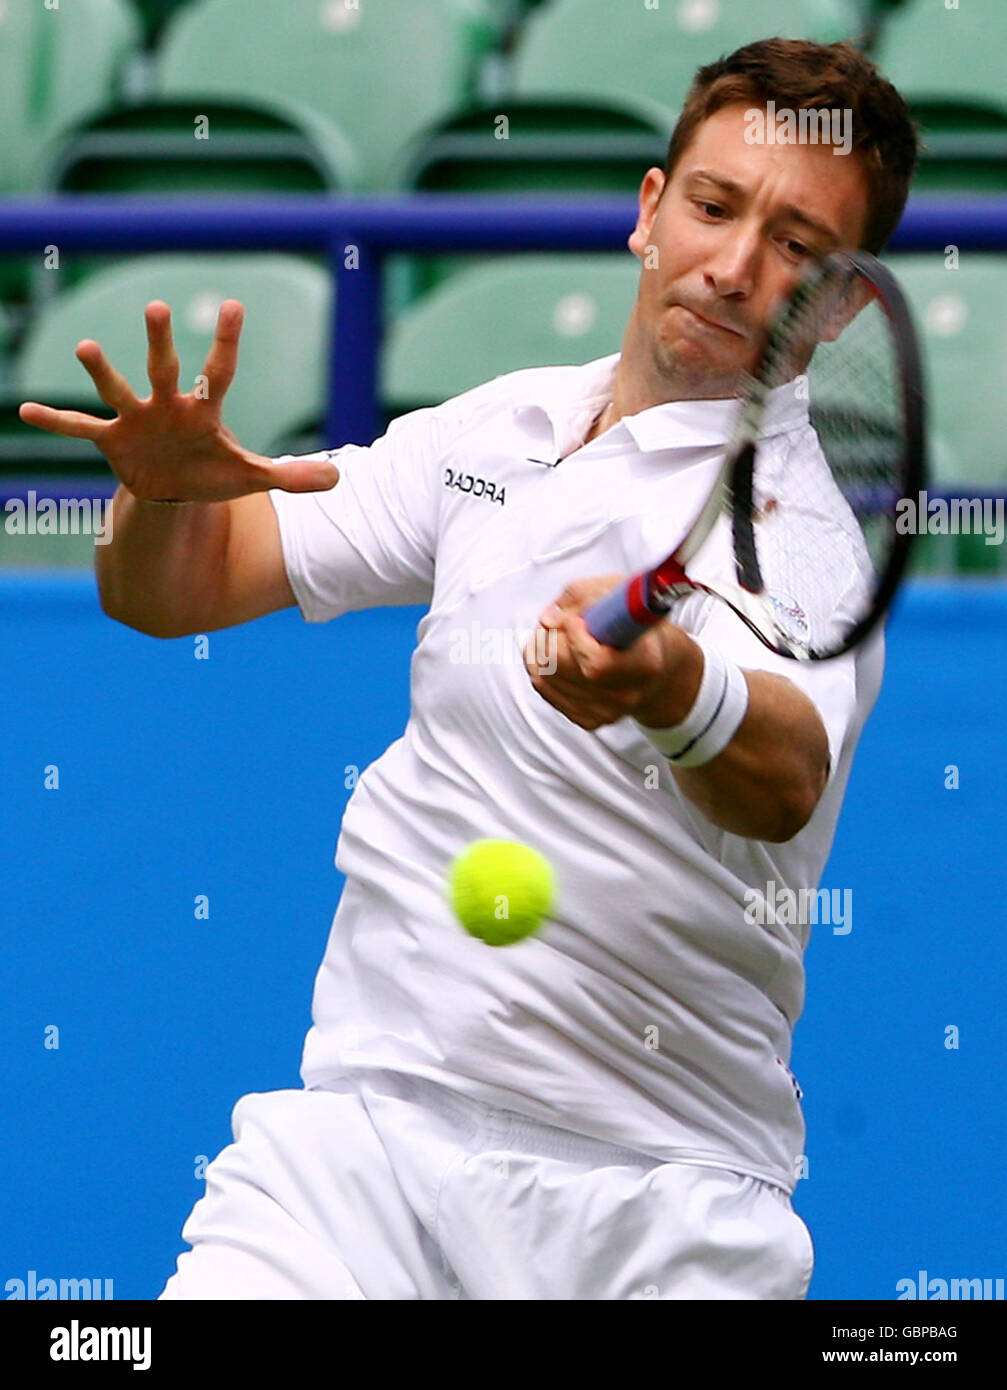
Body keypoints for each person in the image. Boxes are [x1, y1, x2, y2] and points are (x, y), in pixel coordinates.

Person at [21, 38, 919, 1299]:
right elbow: (174, 592)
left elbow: (781, 771)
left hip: (649, 1211)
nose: (732, 266)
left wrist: (670, 688)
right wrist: (164, 501)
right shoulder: (498, 429)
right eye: (714, 207)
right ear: (649, 212)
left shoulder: (804, 534)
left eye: (794, 246)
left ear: (833, 306)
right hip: (355, 1159)